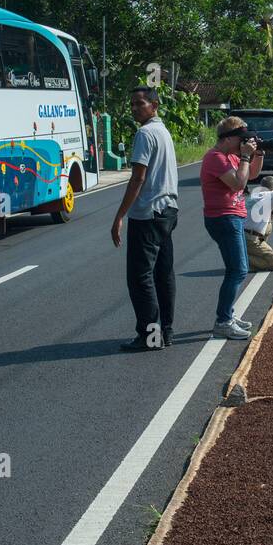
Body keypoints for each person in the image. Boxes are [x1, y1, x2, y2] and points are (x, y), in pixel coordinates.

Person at [111, 86, 179, 352]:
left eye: (140, 103)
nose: (134, 108)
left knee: (140, 278)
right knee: (163, 274)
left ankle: (150, 337)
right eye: (132, 104)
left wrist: (119, 216)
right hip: (168, 211)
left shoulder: (145, 133)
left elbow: (138, 178)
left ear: (154, 105)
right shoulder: (163, 132)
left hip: (148, 214)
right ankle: (167, 332)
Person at [200, 116, 263, 338]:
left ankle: (227, 315)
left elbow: (251, 175)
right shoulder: (216, 158)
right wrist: (245, 155)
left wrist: (258, 154)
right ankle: (223, 321)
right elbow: (238, 183)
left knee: (237, 269)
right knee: (238, 270)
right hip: (223, 218)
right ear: (228, 139)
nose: (244, 143)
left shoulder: (231, 157)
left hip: (232, 217)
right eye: (241, 138)